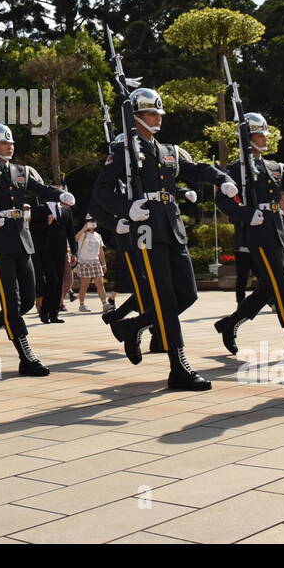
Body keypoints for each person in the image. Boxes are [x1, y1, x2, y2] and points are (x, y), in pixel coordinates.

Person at [92, 88, 240, 391]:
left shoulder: (166, 150)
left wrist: (220, 177)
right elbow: (101, 192)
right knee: (165, 299)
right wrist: (127, 209)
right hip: (146, 230)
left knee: (187, 295)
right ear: (135, 117)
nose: (157, 118)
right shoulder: (124, 150)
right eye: (150, 113)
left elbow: (193, 168)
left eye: (158, 113)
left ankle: (133, 326)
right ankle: (179, 366)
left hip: (172, 227)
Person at [0, 122, 75, 377]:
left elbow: (40, 190)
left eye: (11, 143)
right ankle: (26, 356)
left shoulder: (21, 171)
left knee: (28, 301)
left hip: (23, 239)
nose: (9, 147)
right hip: (0, 243)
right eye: (3, 143)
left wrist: (59, 195)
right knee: (11, 302)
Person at [213, 113, 284, 358]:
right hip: (258, 233)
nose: (265, 138)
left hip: (278, 230)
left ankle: (230, 323)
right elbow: (223, 200)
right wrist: (246, 214)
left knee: (269, 288)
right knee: (281, 286)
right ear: (247, 138)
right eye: (259, 134)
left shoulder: (275, 167)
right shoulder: (237, 169)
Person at [31, 198, 72, 323]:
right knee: (52, 280)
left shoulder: (66, 210)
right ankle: (44, 312)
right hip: (45, 251)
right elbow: (32, 228)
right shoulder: (40, 209)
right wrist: (47, 223)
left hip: (61, 250)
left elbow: (70, 231)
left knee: (59, 282)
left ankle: (54, 314)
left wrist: (73, 251)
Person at [73, 217, 109, 313]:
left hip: (95, 262)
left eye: (93, 221)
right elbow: (75, 239)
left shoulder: (98, 235)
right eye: (89, 221)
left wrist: (104, 264)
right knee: (85, 285)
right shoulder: (83, 234)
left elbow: (100, 251)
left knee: (100, 283)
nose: (92, 223)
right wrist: (83, 229)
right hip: (85, 262)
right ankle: (82, 304)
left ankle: (105, 303)